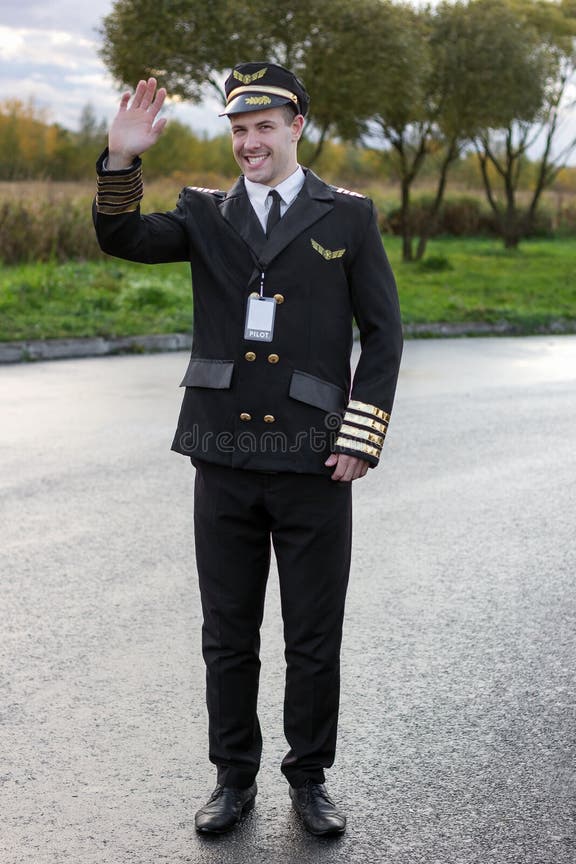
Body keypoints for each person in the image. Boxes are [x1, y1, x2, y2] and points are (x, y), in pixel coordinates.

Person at [93, 61, 403, 837]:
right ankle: (233, 780)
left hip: (313, 461)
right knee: (228, 633)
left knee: (312, 634)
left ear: (297, 127)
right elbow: (122, 235)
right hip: (223, 456)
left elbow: (385, 335)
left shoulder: (347, 218)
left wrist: (360, 438)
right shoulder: (204, 213)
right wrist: (122, 160)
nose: (249, 143)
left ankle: (310, 778)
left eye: (264, 127)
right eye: (238, 130)